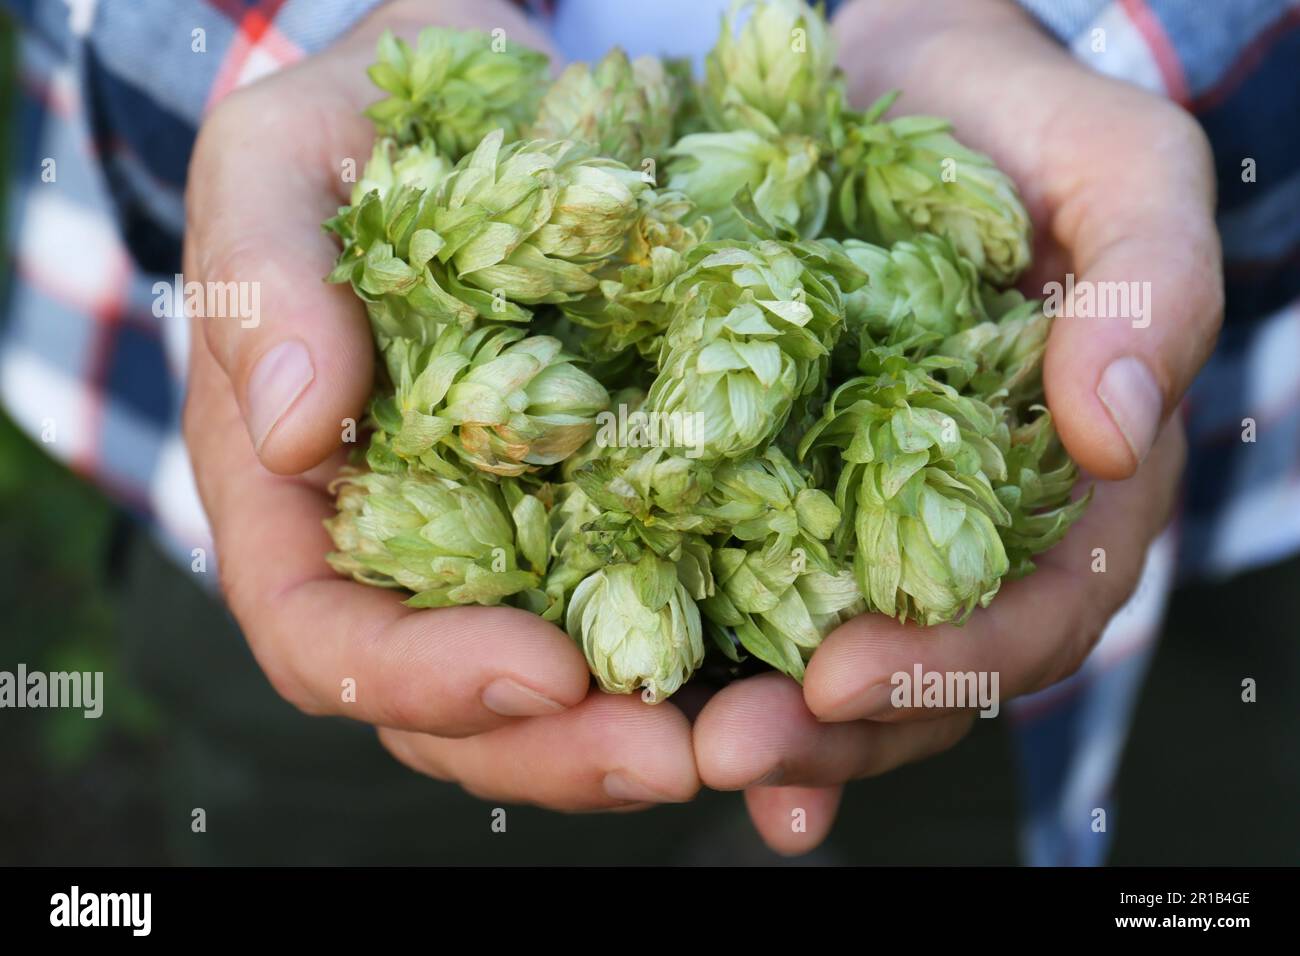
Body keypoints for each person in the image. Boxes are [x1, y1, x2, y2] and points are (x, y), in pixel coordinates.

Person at [1, 0, 1294, 864]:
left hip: (1243, 455)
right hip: (265, 453)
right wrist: (295, 56)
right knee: (326, 797)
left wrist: (1096, 47)